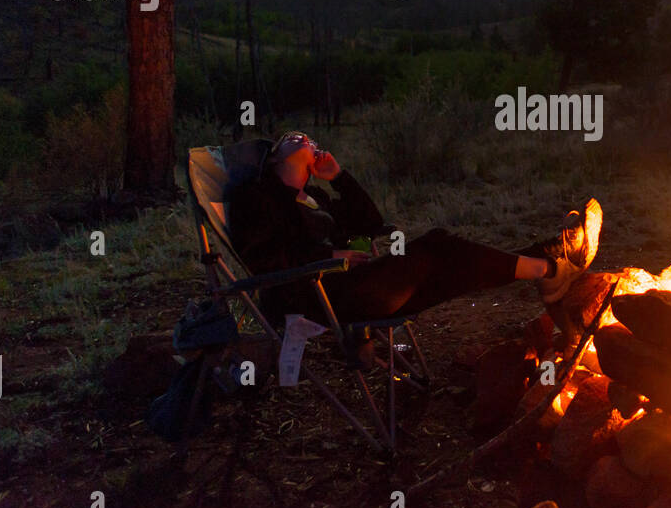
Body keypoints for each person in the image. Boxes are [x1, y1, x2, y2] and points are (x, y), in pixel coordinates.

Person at [227, 132, 601, 360]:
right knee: (437, 247)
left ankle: (547, 261)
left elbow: (370, 224)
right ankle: (549, 268)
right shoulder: (255, 197)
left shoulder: (313, 199)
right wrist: (329, 257)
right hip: (319, 298)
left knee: (450, 267)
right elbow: (264, 262)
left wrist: (339, 177)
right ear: (274, 158)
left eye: (310, 140)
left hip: (351, 287)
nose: (305, 139)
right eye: (295, 139)